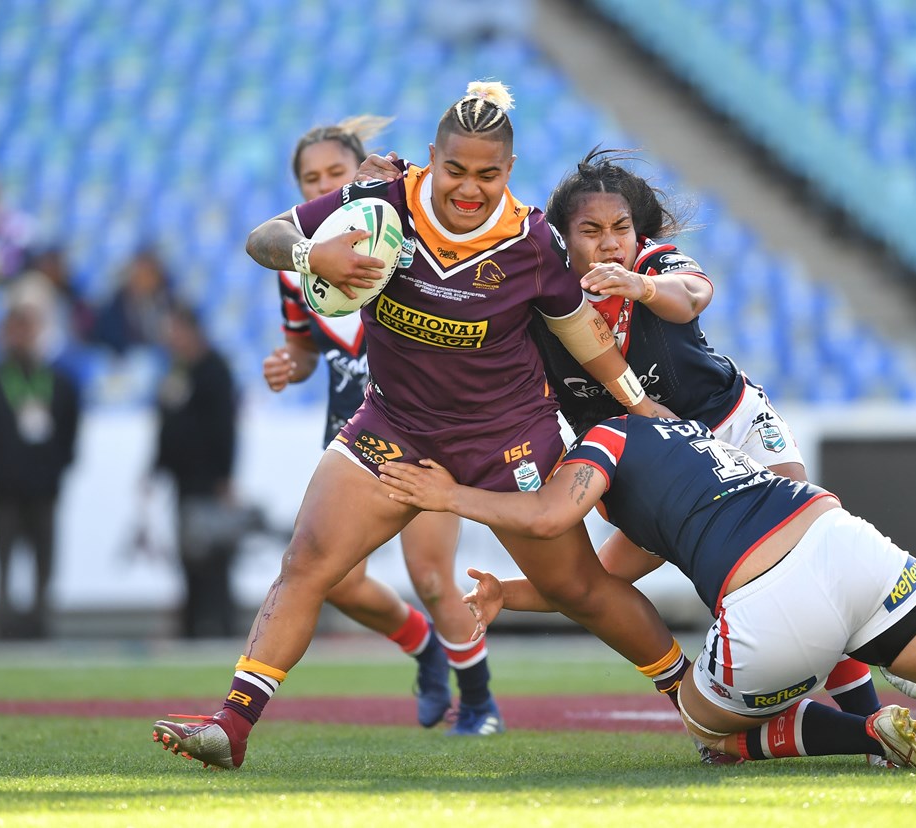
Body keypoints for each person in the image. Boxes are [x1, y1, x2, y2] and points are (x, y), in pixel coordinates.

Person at [152, 81, 672, 770]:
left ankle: (697, 696)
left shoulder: (530, 241)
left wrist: (637, 401)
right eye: (456, 169)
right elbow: (264, 237)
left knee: (577, 590)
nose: (469, 187)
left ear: (508, 172)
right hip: (393, 427)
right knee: (307, 562)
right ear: (433, 157)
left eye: (488, 174)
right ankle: (232, 726)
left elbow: (580, 331)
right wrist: (315, 255)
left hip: (507, 439)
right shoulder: (379, 203)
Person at [379, 413, 916, 769]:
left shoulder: (605, 440)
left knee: (707, 730)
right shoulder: (677, 444)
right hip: (844, 541)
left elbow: (552, 515)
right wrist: (513, 591)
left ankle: (867, 732)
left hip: (771, 600)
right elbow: (599, 580)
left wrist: (451, 496)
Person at [538, 149, 916, 724]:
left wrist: (636, 286)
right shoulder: (543, 307)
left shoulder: (658, 263)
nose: (610, 243)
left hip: (732, 423)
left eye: (621, 228)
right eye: (590, 232)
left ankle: (874, 677)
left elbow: (692, 296)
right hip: (655, 464)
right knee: (595, 584)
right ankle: (704, 691)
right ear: (564, 241)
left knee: (806, 556)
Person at [265, 115, 498, 734]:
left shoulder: (407, 242)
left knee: (429, 573)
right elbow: (309, 344)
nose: (323, 184)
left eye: (335, 173)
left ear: (358, 174)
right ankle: (422, 645)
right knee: (334, 581)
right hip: (349, 431)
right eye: (310, 178)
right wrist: (293, 361)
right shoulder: (299, 268)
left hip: (422, 427)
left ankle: (477, 700)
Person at [0, 295, 79, 639]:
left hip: (45, 489)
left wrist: (53, 471)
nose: (21, 337)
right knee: (4, 561)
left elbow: (70, 434)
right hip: (6, 491)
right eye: (15, 330)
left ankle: (40, 622)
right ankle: (2, 624)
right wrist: (1, 470)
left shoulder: (58, 383)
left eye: (27, 329)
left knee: (44, 562)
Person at [150, 304, 243, 638]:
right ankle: (192, 625)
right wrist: (155, 468)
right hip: (183, 480)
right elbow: (165, 426)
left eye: (175, 331)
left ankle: (220, 625)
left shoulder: (214, 370)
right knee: (188, 555)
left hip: (208, 480)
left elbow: (226, 428)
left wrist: (226, 475)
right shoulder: (177, 372)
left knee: (214, 555)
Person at [92, 247, 174, 355]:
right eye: (142, 274)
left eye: (151, 273)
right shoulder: (114, 308)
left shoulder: (167, 302)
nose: (147, 279)